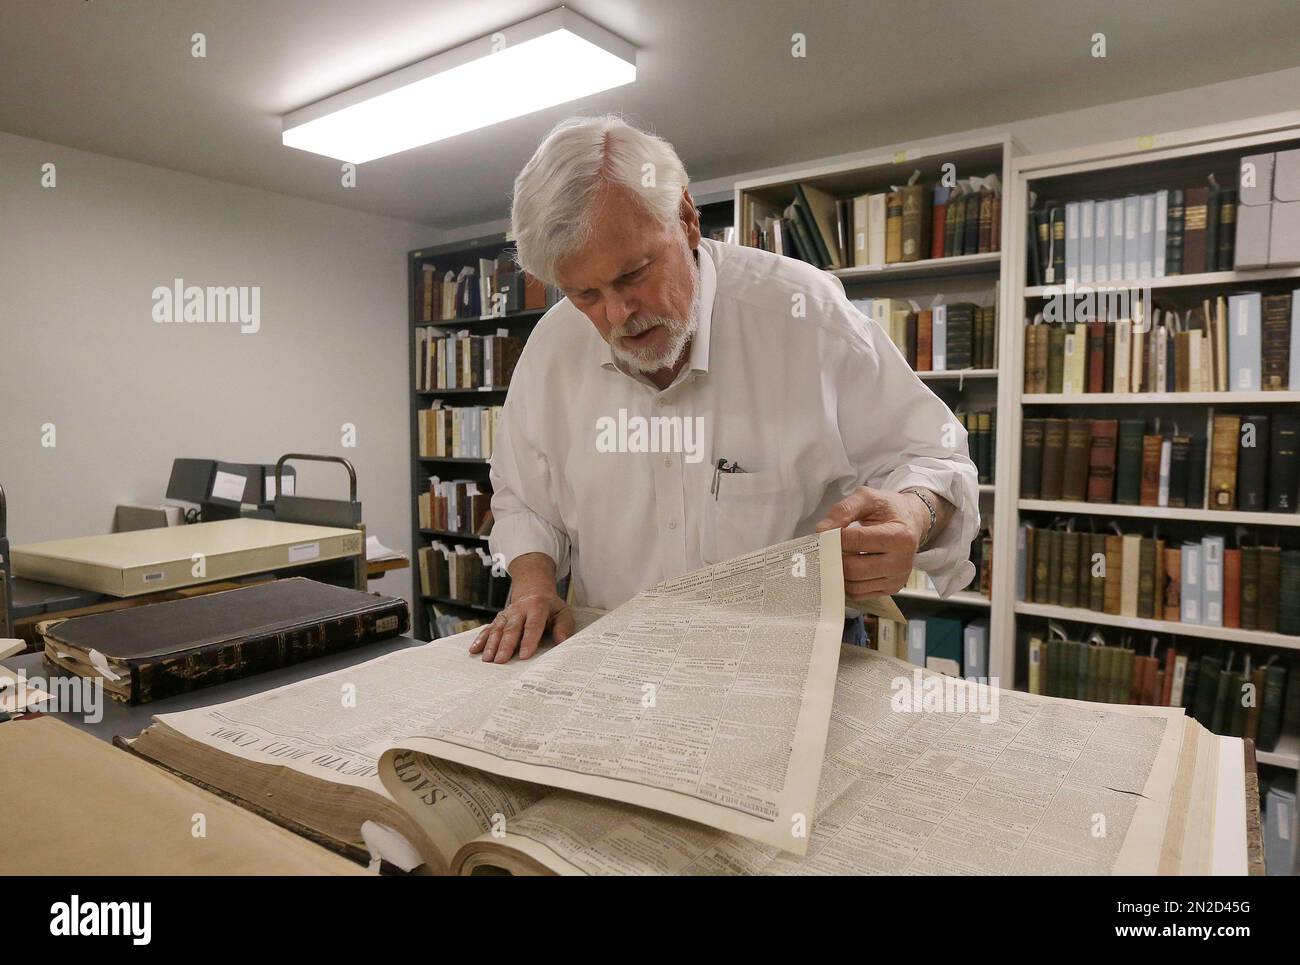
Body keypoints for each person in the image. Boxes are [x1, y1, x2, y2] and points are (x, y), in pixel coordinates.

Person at [472, 115, 979, 663]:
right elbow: (524, 498)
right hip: (613, 653)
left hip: (789, 657)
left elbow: (934, 457)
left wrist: (913, 513)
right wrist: (533, 586)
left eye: (634, 274)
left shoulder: (804, 315)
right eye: (584, 294)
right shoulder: (552, 349)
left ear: (687, 219)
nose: (618, 315)